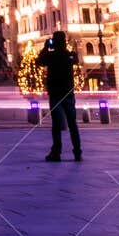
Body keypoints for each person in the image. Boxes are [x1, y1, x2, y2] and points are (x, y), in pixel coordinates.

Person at [37, 30, 82, 162]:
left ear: (55, 42)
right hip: (68, 93)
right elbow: (76, 59)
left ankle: (56, 152)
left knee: (56, 124)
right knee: (72, 124)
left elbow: (39, 61)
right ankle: (77, 152)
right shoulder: (69, 55)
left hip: (56, 93)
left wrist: (46, 47)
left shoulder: (51, 56)